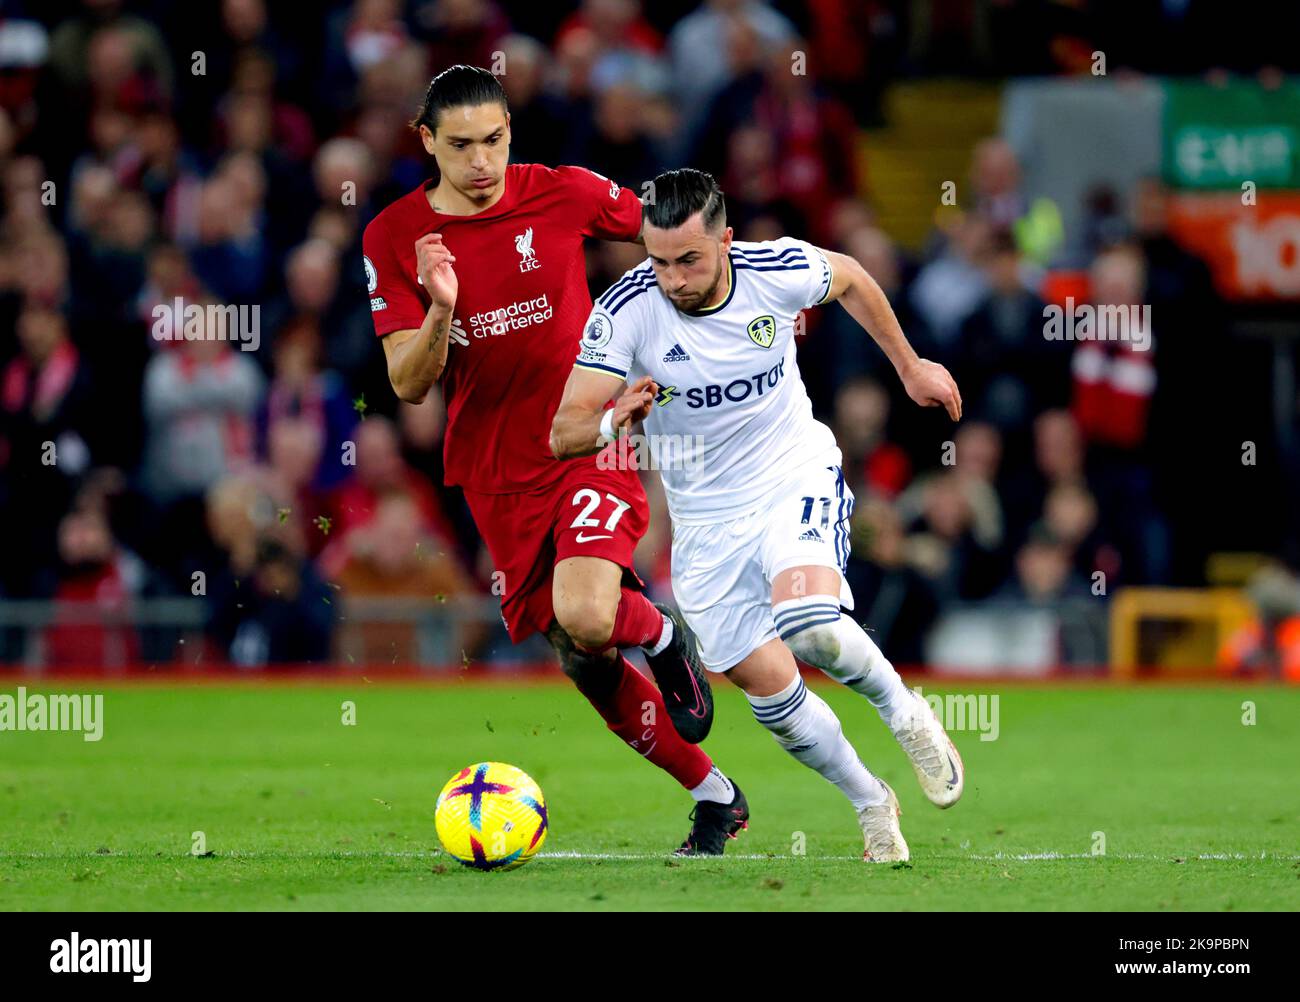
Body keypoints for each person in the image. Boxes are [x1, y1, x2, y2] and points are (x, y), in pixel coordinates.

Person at [363, 67, 743, 855]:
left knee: (586, 612)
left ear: (511, 134)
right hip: (495, 472)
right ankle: (715, 795)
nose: (481, 162)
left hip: (587, 436)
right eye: (460, 145)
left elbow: (671, 232)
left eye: (494, 141)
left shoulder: (563, 192)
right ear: (426, 142)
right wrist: (441, 308)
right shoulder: (395, 238)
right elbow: (407, 383)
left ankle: (666, 639)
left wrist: (750, 299)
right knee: (583, 656)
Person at [552, 169, 967, 862]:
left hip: (790, 476)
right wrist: (610, 420)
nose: (673, 278)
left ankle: (908, 715)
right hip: (705, 524)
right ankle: (871, 802)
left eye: (690, 259)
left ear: (726, 241)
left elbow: (855, 278)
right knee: (768, 690)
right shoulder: (625, 311)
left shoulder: (775, 270)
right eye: (658, 261)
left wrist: (911, 366)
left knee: (812, 626)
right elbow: (563, 430)